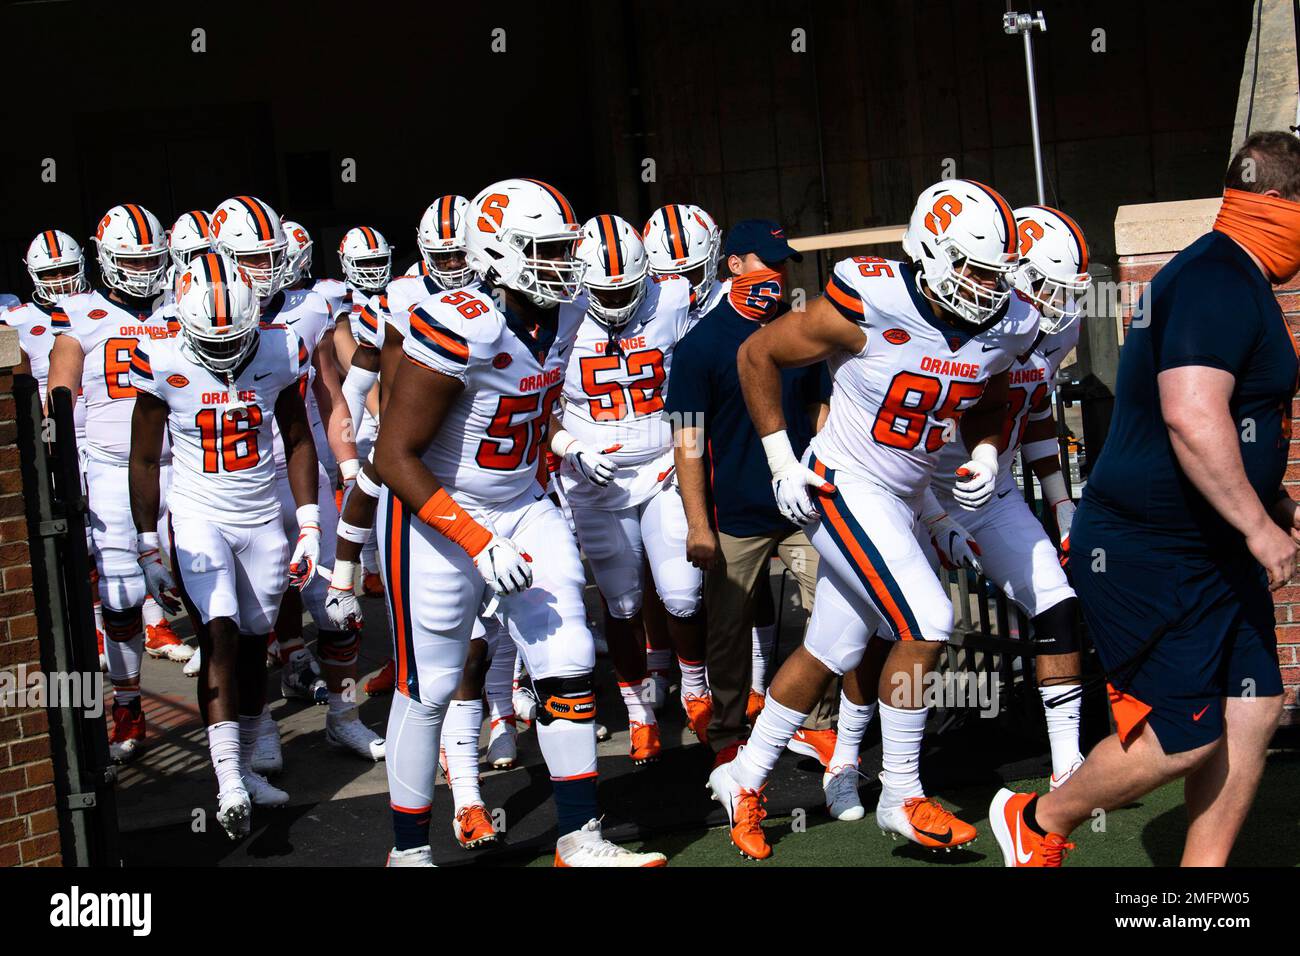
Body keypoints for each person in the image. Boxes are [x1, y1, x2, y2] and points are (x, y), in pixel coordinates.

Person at [991, 131, 1300, 868]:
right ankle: (1037, 818)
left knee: (1254, 705)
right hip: (1153, 551)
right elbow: (1191, 414)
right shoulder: (1214, 278)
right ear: (1277, 202)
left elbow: (1230, 419)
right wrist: (1259, 528)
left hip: (1211, 548)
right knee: (1184, 736)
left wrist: (1271, 504)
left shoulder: (1237, 277)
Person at [719, 180, 1039, 860]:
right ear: (931, 253)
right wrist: (781, 462)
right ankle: (901, 792)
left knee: (830, 651)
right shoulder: (871, 297)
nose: (989, 287)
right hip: (842, 484)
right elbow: (757, 355)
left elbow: (991, 395)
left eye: (997, 273)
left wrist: (984, 454)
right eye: (975, 270)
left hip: (905, 497)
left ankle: (743, 778)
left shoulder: (1009, 320)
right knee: (927, 621)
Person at [372, 178, 666, 867]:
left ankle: (579, 836)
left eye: (567, 248)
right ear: (498, 253)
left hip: (522, 503)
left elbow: (528, 407)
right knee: (431, 685)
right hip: (436, 513)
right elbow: (392, 454)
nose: (566, 263)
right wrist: (475, 540)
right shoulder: (462, 322)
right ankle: (408, 854)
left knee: (569, 658)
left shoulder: (568, 313)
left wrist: (564, 443)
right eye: (548, 250)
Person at [129, 251, 322, 839]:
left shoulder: (279, 347)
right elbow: (144, 457)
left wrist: (310, 522)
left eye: (235, 338)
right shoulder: (162, 357)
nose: (225, 351)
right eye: (212, 340)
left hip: (260, 515)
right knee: (219, 634)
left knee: (256, 644)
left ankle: (249, 759)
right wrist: (147, 545)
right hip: (198, 512)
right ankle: (230, 781)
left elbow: (297, 437)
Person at [926, 204, 1092, 789]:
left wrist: (1061, 502)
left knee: (1057, 602)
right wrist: (933, 514)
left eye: (1064, 290)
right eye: (1045, 285)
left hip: (991, 490)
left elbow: (1035, 411)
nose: (1057, 303)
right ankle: (847, 754)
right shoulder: (960, 321)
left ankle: (1067, 764)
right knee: (886, 631)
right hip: (914, 490)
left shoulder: (1055, 330)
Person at [663, 219, 836, 757]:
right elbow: (688, 441)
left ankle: (817, 722)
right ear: (734, 265)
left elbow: (819, 407)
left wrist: (827, 476)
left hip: (804, 508)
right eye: (768, 261)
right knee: (728, 631)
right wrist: (698, 525)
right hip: (736, 514)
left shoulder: (797, 329)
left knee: (833, 612)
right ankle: (727, 733)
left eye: (784, 263)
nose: (779, 273)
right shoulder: (700, 345)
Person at [554, 213, 703, 764]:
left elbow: (695, 384)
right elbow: (532, 400)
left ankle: (696, 692)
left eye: (626, 290)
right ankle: (639, 713)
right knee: (620, 602)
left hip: (664, 465)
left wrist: (690, 452)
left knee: (683, 594)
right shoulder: (560, 310)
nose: (616, 302)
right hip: (595, 477)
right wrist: (569, 446)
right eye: (604, 291)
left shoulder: (673, 298)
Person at [47, 204, 191, 765]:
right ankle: (128, 703)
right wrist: (63, 461)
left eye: (152, 259)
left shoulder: (183, 304)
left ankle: (236, 714)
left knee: (206, 579)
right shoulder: (80, 315)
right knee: (121, 593)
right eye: (132, 261)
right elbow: (61, 397)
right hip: (112, 467)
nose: (144, 270)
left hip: (184, 463)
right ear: (107, 260)